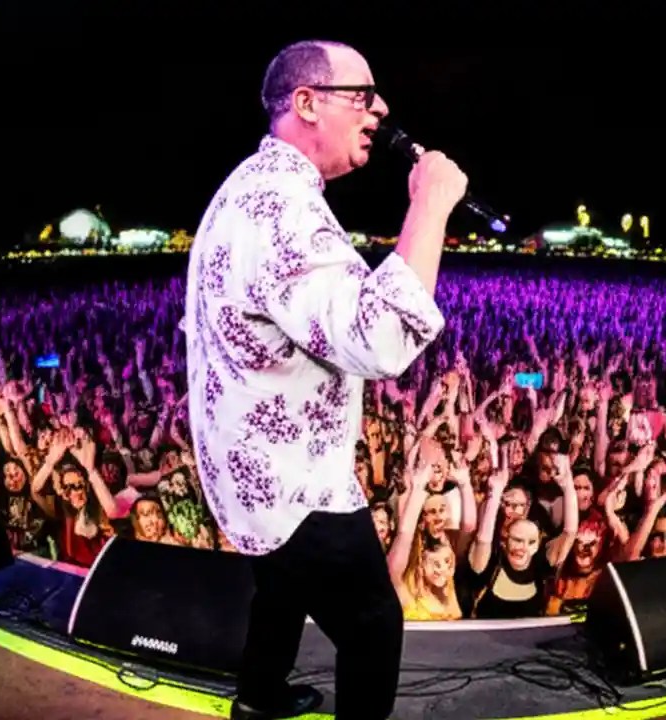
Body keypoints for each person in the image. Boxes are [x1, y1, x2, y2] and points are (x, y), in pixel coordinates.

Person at [182, 40, 468, 720]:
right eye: (362, 95)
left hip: (247, 472)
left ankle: (259, 698)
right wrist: (430, 205)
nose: (381, 108)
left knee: (281, 587)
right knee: (373, 625)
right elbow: (382, 338)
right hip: (293, 485)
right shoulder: (282, 208)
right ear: (307, 103)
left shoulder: (251, 185)